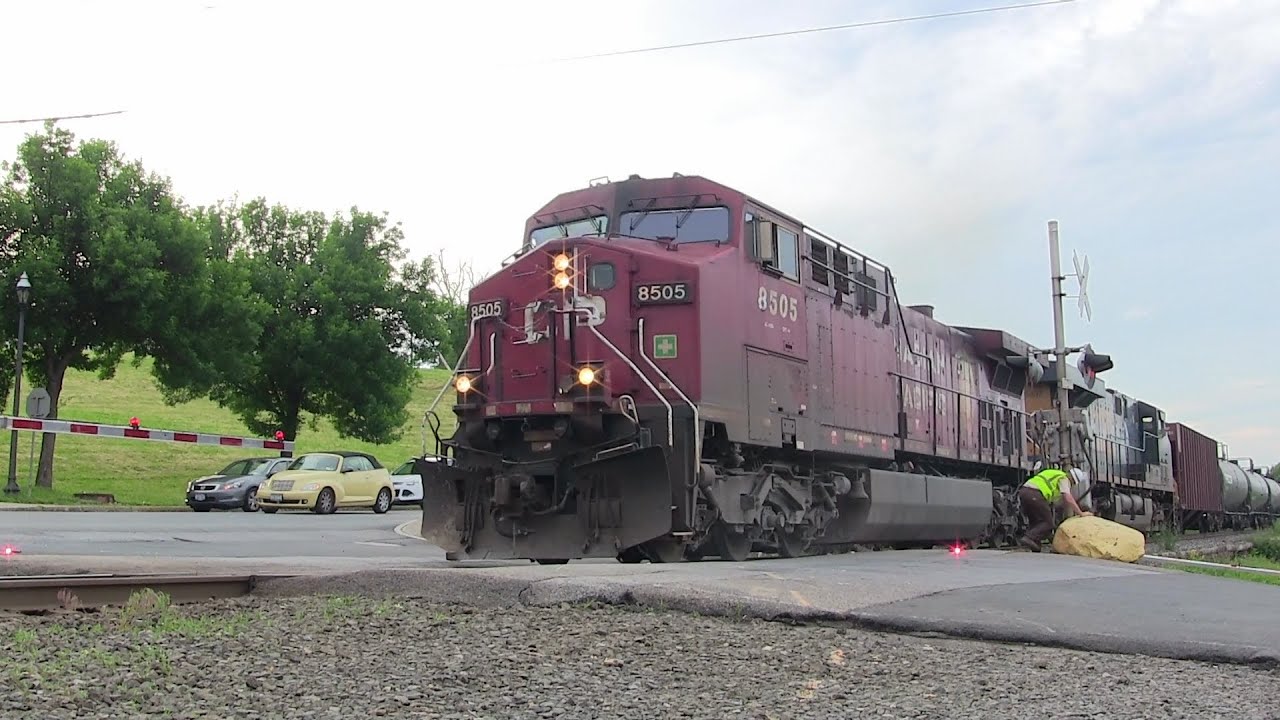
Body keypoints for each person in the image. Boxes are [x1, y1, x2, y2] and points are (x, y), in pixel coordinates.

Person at [1018, 464, 1091, 552]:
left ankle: (1035, 544)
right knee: (1048, 523)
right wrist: (1081, 513)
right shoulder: (1064, 478)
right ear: (1073, 480)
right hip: (1035, 493)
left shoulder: (1054, 473)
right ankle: (1029, 538)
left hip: (1024, 492)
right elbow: (1067, 497)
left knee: (1037, 521)